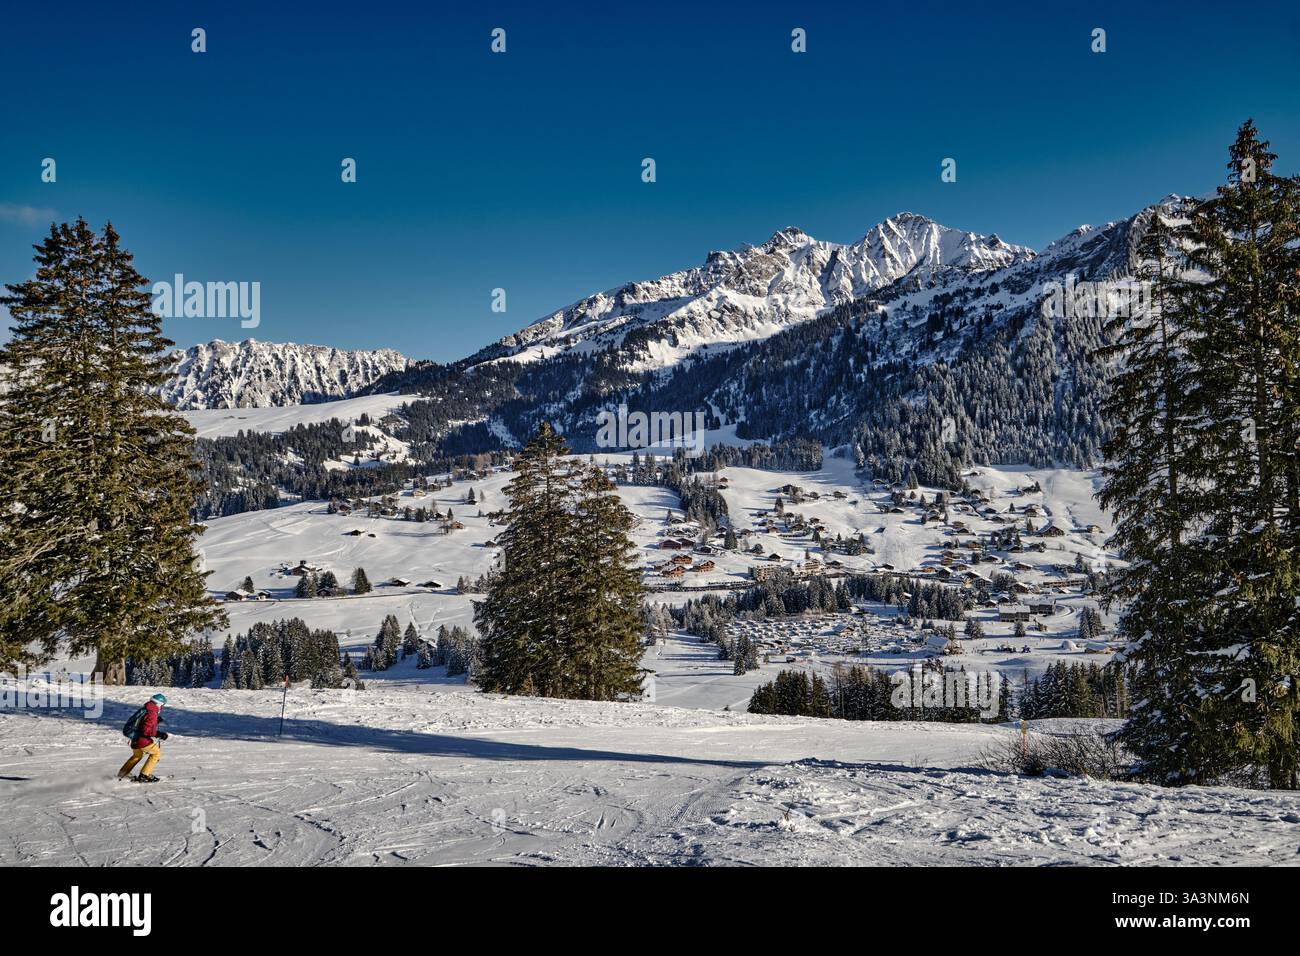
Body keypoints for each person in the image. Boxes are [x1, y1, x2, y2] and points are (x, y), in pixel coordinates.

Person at [118, 693, 170, 783]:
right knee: (156, 753)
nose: (162, 707)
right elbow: (146, 731)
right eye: (163, 705)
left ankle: (123, 773)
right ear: (159, 704)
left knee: (137, 755)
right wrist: (159, 734)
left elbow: (142, 724)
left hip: (134, 737)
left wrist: (156, 721)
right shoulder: (152, 713)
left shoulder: (146, 709)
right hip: (142, 739)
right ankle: (144, 775)